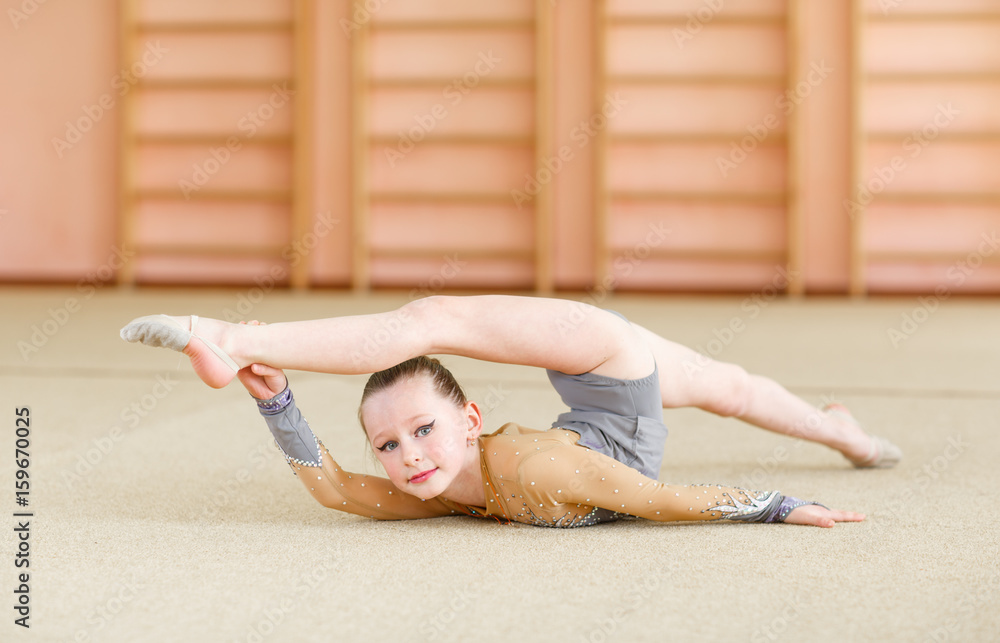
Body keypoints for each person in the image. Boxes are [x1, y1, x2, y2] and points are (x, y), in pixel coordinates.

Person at [119, 295, 899, 529]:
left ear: (470, 420)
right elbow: (338, 490)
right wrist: (279, 402)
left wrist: (785, 507)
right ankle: (843, 429)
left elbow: (665, 500)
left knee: (432, 318)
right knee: (725, 385)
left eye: (423, 429)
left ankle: (230, 334)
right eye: (388, 444)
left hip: (601, 354)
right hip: (616, 405)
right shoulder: (443, 484)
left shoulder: (532, 466)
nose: (407, 457)